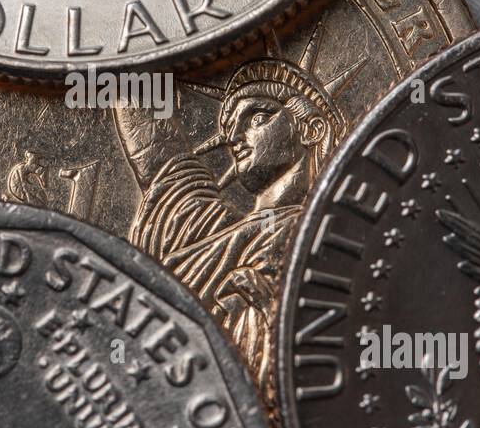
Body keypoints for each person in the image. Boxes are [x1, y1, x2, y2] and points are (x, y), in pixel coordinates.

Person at [114, 58, 343, 396]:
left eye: (257, 118)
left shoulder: (323, 245)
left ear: (311, 129)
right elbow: (157, 152)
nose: (234, 137)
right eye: (232, 126)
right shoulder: (209, 231)